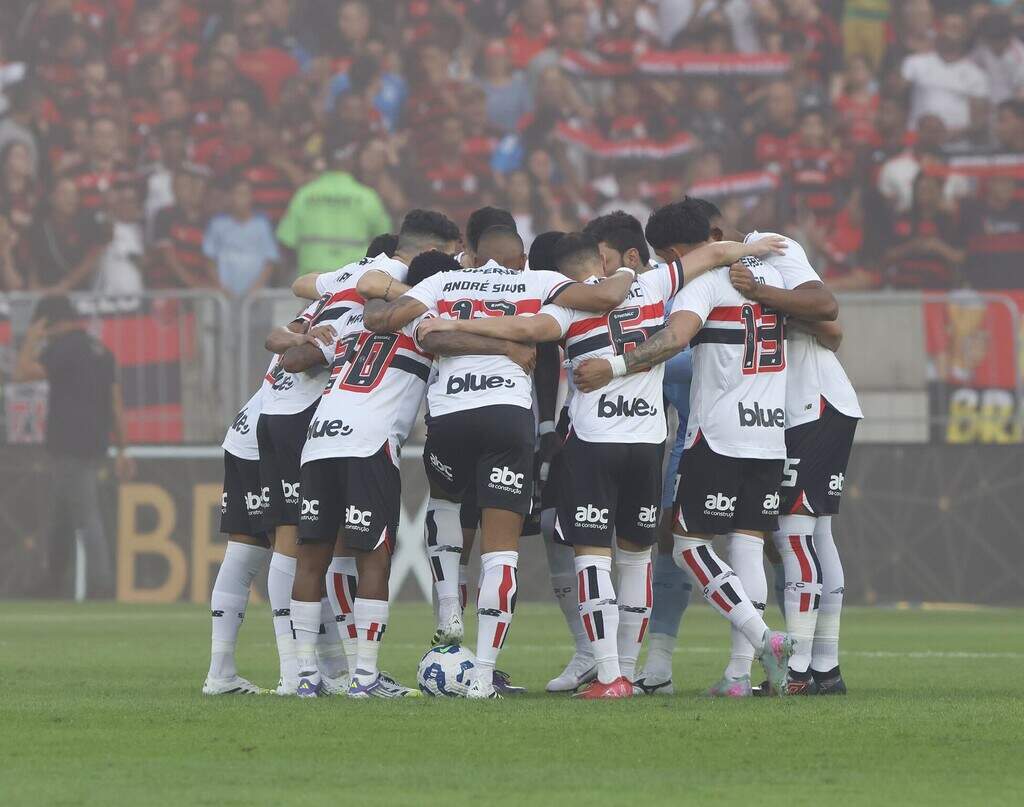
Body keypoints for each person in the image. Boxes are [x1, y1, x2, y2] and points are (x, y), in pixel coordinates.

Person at [419, 228, 785, 698]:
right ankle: (630, 673)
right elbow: (713, 251)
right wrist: (754, 249)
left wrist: (452, 326)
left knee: (592, 560)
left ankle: (610, 676)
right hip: (648, 443)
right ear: (601, 261)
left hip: (594, 443)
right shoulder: (653, 285)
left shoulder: (567, 305)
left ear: (560, 275)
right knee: (637, 561)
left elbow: (527, 332)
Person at [361, 225, 639, 698]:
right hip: (507, 419)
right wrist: (631, 267)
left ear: (471, 256)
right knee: (501, 551)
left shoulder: (443, 282)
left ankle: (449, 619)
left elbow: (380, 320)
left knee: (446, 505)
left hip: (449, 418)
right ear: (521, 258)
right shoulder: (536, 282)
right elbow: (606, 297)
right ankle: (484, 675)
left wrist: (383, 292)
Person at [571, 199, 795, 697]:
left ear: (672, 250)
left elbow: (674, 339)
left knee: (689, 545)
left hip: (718, 436)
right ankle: (738, 677)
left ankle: (762, 638)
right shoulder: (773, 276)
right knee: (749, 548)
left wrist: (616, 367)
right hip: (770, 432)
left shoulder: (706, 282)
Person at [282, 209, 462, 698]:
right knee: (373, 555)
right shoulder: (427, 328)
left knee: (312, 556)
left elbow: (294, 359)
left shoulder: (350, 324)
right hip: (369, 443)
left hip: (319, 440)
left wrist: (306, 332)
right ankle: (364, 677)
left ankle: (304, 678)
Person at [13, 295, 133, 599]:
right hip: (95, 443)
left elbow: (22, 372)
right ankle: (53, 580)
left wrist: (31, 338)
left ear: (49, 321)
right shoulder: (101, 351)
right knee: (62, 516)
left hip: (67, 444)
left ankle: (101, 584)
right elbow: (116, 403)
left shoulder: (61, 348)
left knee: (85, 516)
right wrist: (123, 449)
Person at [276, 128, 391, 276]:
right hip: (351, 284)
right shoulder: (367, 197)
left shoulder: (305, 195)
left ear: (325, 159)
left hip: (312, 284)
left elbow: (286, 241)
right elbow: (385, 243)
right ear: (350, 160)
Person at [900, 11, 990, 147]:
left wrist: (948, 134)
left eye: (957, 28)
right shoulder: (915, 62)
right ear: (938, 30)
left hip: (958, 145)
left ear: (966, 34)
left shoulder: (976, 74)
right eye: (948, 27)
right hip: (917, 141)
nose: (952, 32)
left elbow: (978, 121)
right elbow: (895, 96)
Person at [202, 174, 279, 297]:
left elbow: (270, 260)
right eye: (237, 193)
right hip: (225, 297)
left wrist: (256, 288)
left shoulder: (262, 224)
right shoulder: (217, 224)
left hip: (256, 297)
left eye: (244, 194)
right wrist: (220, 287)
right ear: (230, 196)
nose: (240, 198)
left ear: (251, 197)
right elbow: (209, 259)